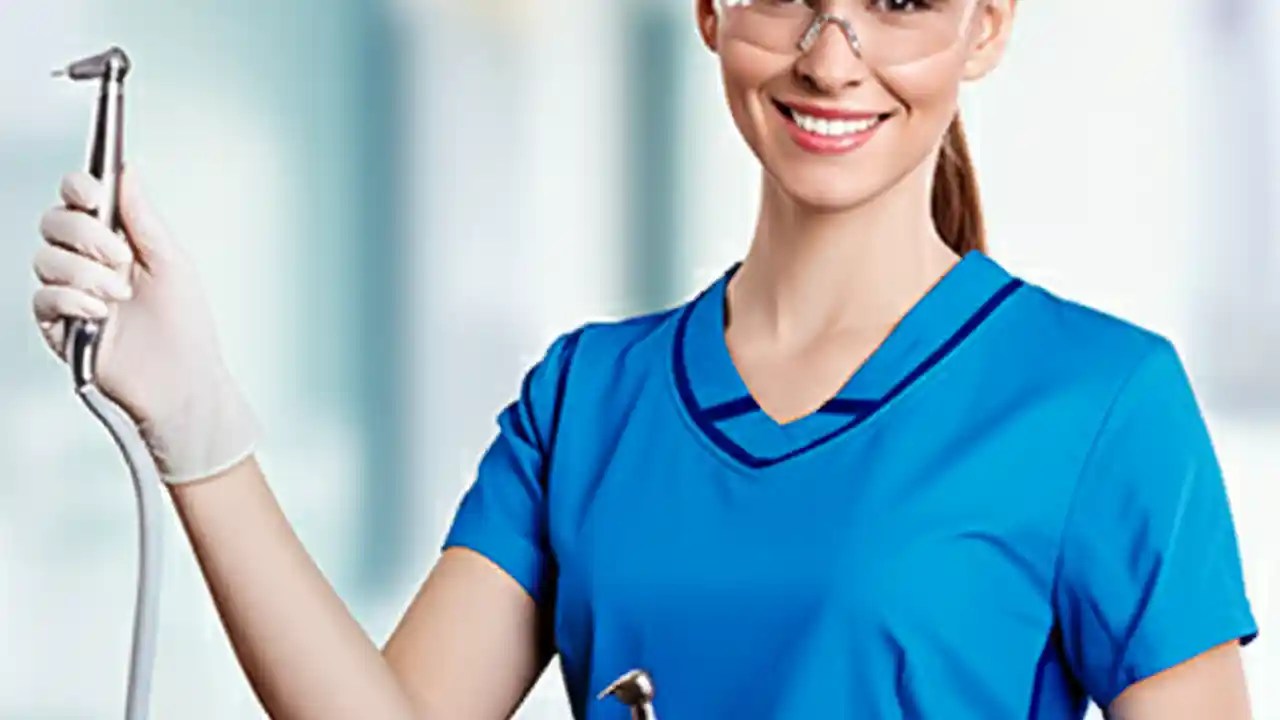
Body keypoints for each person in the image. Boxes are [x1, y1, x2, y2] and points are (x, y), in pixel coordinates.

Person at [30, 0, 1259, 718]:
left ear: (984, 27)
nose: (829, 58)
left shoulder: (1098, 404)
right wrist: (199, 428)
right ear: (710, 10)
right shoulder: (589, 401)